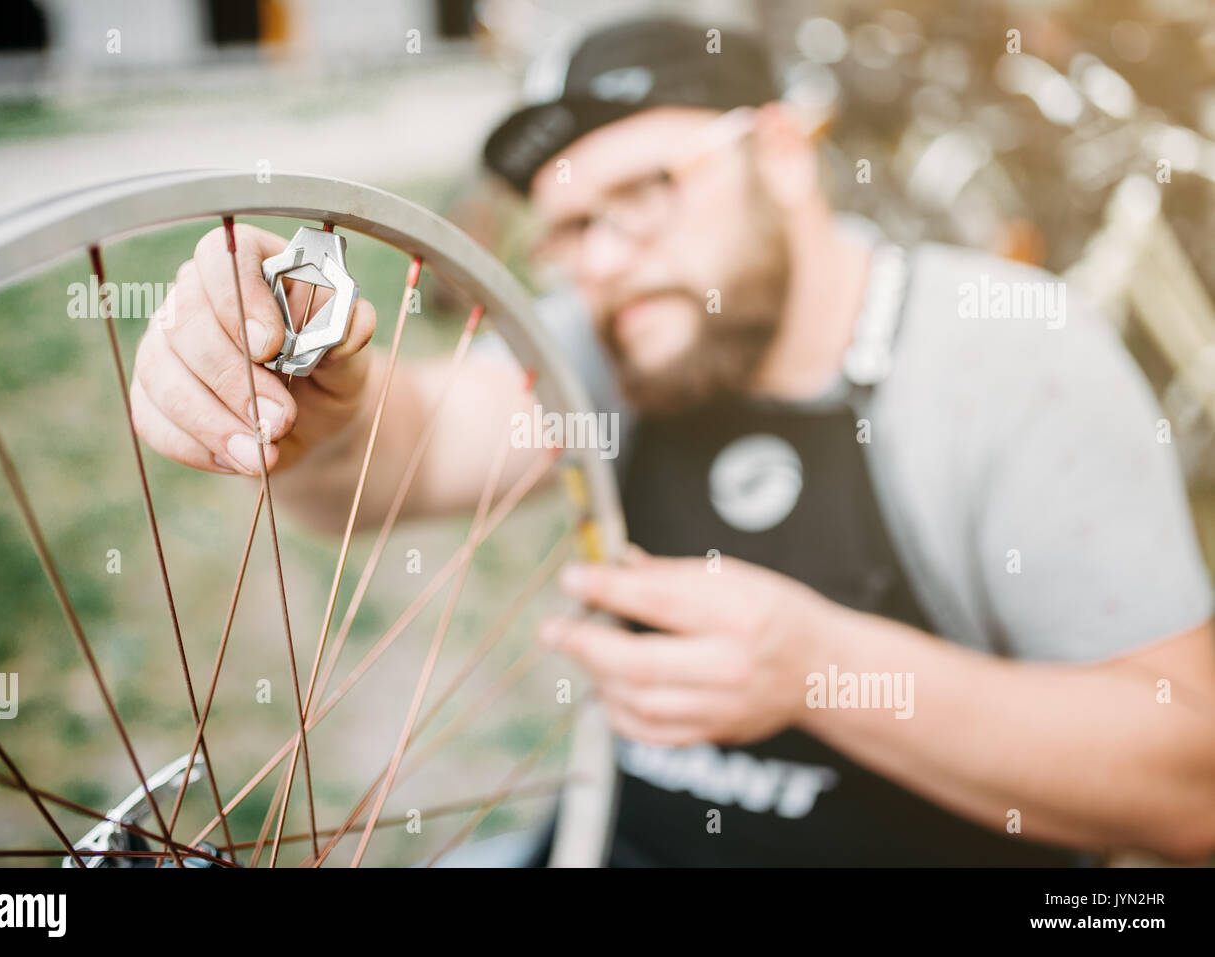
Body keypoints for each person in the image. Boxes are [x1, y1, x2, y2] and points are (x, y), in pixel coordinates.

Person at [129, 18, 1215, 865]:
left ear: (782, 152)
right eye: (567, 230)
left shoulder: (1001, 358)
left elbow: (1188, 782)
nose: (601, 260)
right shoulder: (620, 338)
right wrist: (308, 401)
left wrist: (817, 671)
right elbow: (387, 467)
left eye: (644, 193)